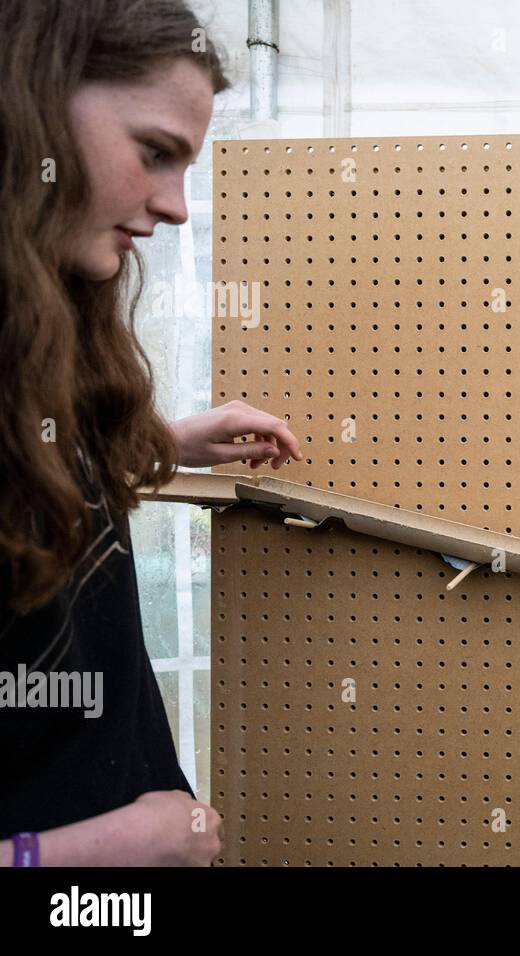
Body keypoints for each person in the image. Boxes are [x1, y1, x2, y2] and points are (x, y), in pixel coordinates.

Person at [0, 0, 301, 866]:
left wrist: (159, 443)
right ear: (36, 103)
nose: (174, 207)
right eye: (155, 153)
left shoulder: (41, 325)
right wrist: (93, 851)